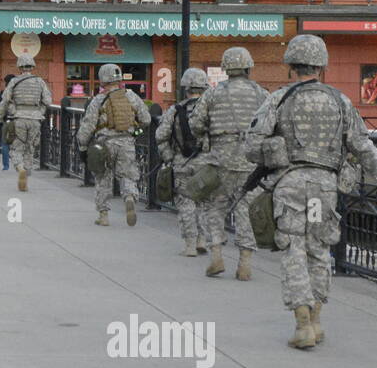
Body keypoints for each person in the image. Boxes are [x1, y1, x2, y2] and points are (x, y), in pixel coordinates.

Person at [244, 34, 377, 350]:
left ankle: (301, 321)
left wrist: (275, 152)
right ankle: (316, 320)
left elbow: (252, 147)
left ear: (291, 65)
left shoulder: (279, 99)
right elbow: (361, 145)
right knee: (319, 249)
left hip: (290, 185)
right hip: (325, 188)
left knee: (294, 248)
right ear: (322, 65)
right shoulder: (340, 100)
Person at [189, 47, 270, 279]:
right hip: (249, 162)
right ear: (248, 67)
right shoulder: (261, 94)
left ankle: (216, 255)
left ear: (226, 67)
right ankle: (245, 262)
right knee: (246, 211)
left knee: (214, 207)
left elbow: (196, 124)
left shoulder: (213, 93)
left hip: (219, 161)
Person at [75, 63, 151, 225]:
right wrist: (135, 130)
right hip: (127, 142)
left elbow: (87, 126)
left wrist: (82, 146)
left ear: (102, 79)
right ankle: (129, 197)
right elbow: (146, 119)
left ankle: (103, 215)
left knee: (103, 177)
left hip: (104, 143)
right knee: (128, 175)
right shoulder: (131, 96)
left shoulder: (98, 100)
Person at [155, 68, 211, 255]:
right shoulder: (211, 110)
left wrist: (169, 157)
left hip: (182, 163)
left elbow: (161, 136)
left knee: (186, 203)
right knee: (203, 203)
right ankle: (203, 238)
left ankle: (189, 244)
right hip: (206, 164)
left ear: (185, 88)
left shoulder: (175, 110)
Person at [0, 54, 53, 192]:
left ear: (19, 67)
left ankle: (20, 168)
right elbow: (48, 101)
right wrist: (40, 112)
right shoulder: (40, 82)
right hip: (35, 119)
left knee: (17, 148)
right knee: (30, 149)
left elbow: (5, 101)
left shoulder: (14, 82)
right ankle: (26, 176)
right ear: (32, 66)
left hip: (19, 118)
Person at [0, 74, 14, 171]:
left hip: (7, 119)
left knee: (5, 142)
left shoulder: (5, 92)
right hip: (20, 119)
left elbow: (2, 106)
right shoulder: (20, 91)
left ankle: (6, 165)